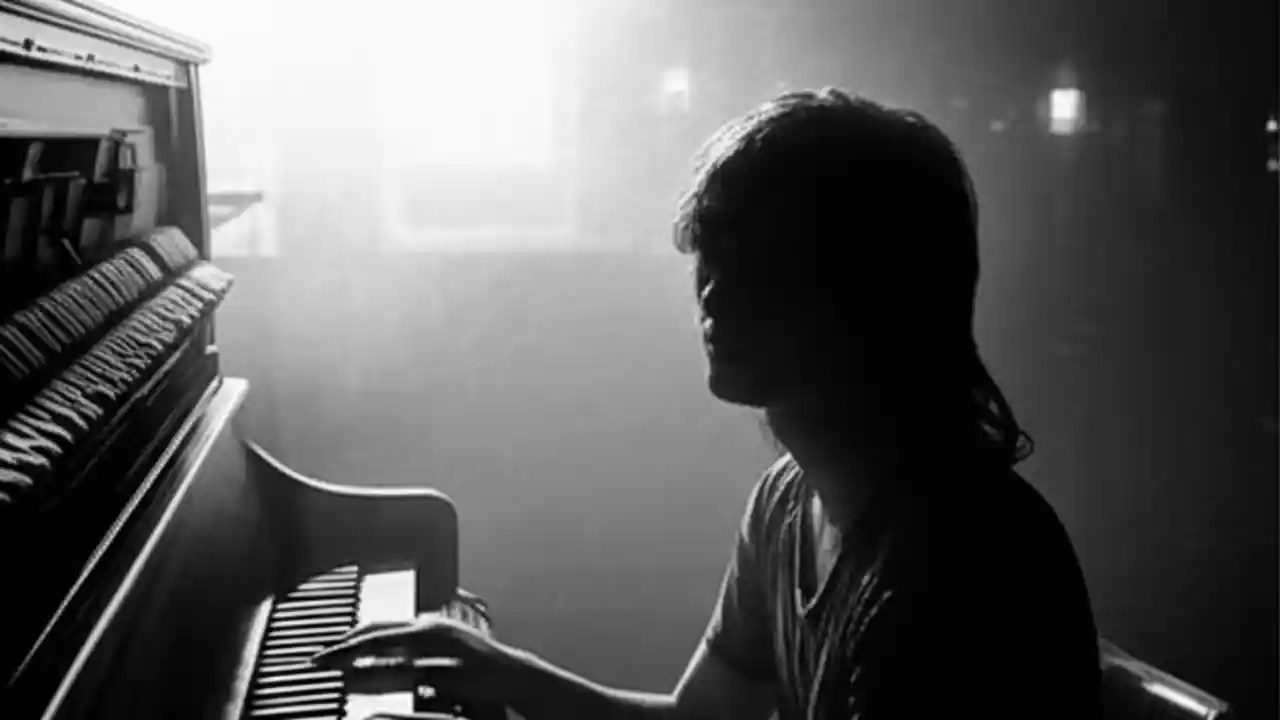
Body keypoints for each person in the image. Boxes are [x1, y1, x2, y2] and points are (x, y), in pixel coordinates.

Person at [313, 87, 1103, 719]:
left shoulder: (952, 570)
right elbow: (702, 716)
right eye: (714, 254)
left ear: (873, 292)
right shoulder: (787, 502)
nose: (716, 291)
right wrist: (508, 676)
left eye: (765, 262)